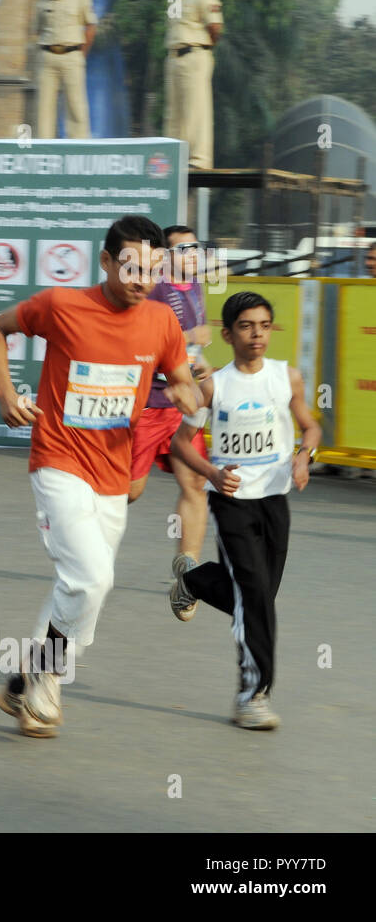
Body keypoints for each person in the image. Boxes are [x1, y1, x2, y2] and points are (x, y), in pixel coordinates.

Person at [0, 214, 201, 738]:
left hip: (113, 473)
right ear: (106, 262)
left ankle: (24, 681)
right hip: (57, 461)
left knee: (82, 590)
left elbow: (184, 382)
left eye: (152, 268)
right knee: (93, 578)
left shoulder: (161, 323)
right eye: (130, 266)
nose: (140, 278)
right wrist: (8, 394)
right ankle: (47, 681)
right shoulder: (62, 306)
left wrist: (186, 394)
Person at [168, 291, 321, 729]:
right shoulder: (213, 386)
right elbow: (180, 444)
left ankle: (193, 579)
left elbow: (309, 426)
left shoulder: (286, 377)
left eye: (264, 325)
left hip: (275, 500)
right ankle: (252, 696)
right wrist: (212, 474)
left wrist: (302, 458)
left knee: (260, 598)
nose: (257, 334)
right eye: (247, 326)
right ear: (228, 333)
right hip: (231, 500)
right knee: (254, 596)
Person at [128, 225, 212, 591]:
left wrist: (202, 364)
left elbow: (190, 352)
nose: (193, 254)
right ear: (164, 256)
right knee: (130, 491)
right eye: (184, 249)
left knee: (196, 482)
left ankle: (188, 576)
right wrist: (190, 338)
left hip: (184, 404)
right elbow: (142, 341)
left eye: (197, 247)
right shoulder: (153, 290)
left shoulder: (194, 286)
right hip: (149, 404)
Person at [165, 0, 223, 169]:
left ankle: (199, 159)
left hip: (195, 54)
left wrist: (204, 48)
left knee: (196, 108)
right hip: (174, 56)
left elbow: (215, 28)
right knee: (175, 110)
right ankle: (174, 156)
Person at [35, 0, 96, 140]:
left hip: (72, 55)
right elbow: (38, 30)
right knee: (44, 106)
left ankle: (79, 144)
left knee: (75, 104)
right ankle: (43, 145)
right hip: (48, 56)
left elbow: (90, 27)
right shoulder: (42, 1)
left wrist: (81, 55)